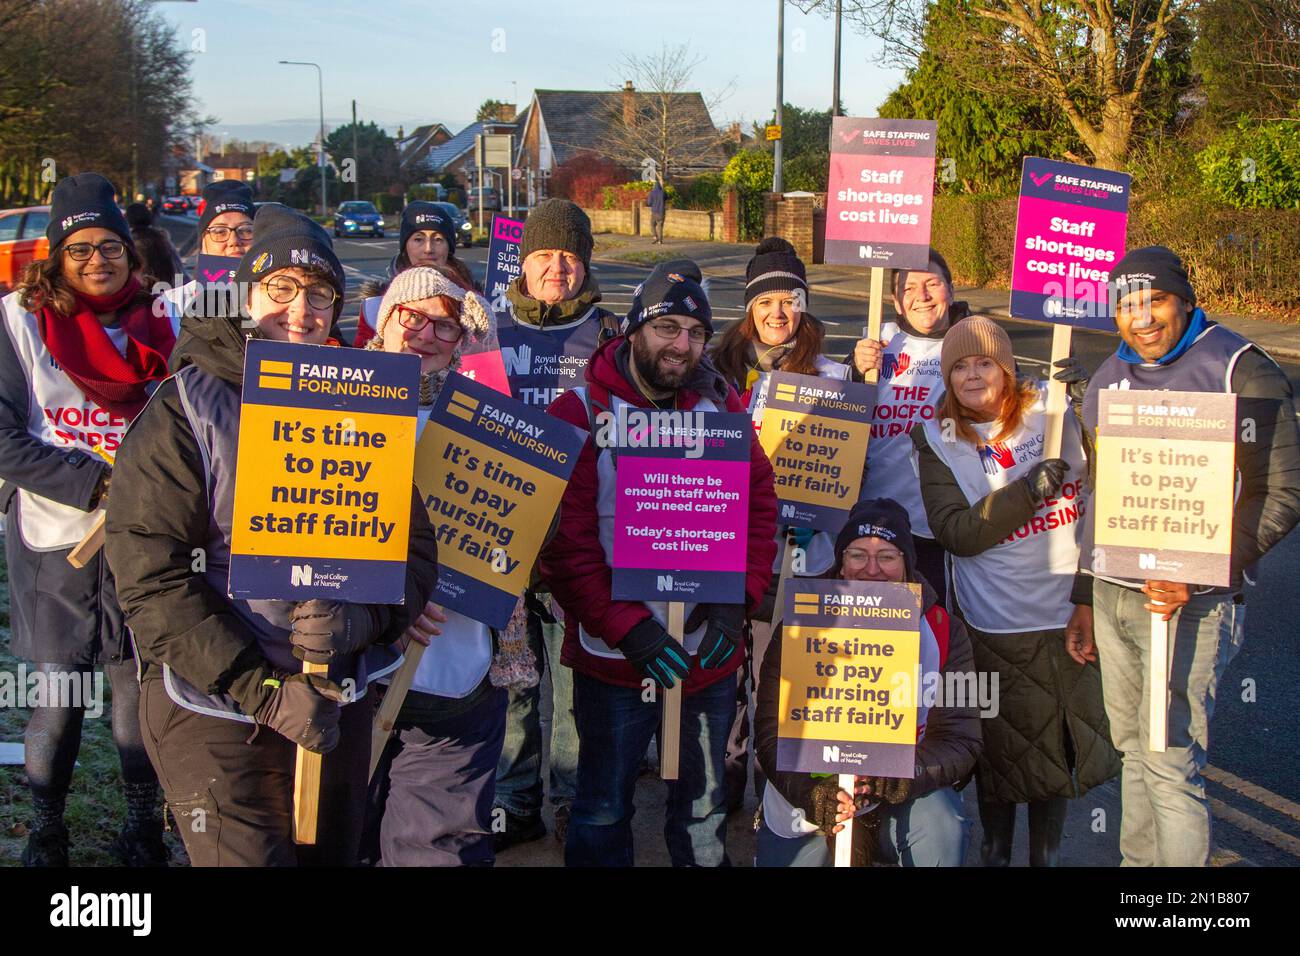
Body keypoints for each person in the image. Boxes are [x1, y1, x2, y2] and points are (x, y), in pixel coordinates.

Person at [104, 203, 440, 866]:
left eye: (320, 294)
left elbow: (414, 548)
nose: (301, 310)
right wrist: (261, 689)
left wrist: (366, 618)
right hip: (215, 708)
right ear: (248, 295)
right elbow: (151, 578)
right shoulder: (186, 406)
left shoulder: (361, 402)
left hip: (335, 694)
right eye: (280, 289)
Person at [1067, 246, 1300, 866]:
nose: (1140, 318)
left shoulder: (1241, 370)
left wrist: (1201, 573)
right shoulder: (1108, 375)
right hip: (1115, 593)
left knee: (1170, 763)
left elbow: (1282, 492)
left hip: (1191, 604)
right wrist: (1085, 596)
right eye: (1126, 305)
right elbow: (1101, 491)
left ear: (1186, 302)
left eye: (1155, 301)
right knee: (1133, 753)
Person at [540, 263, 778, 866]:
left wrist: (735, 602)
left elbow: (758, 510)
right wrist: (629, 627)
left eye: (695, 333)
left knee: (703, 809)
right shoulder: (581, 411)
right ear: (634, 332)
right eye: (667, 328)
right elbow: (567, 548)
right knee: (603, 808)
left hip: (705, 657)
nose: (682, 345)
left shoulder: (722, 412)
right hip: (614, 659)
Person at [0, 172, 177, 866]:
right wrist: (96, 482)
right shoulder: (18, 320)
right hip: (56, 539)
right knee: (62, 692)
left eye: (110, 245)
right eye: (80, 249)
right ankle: (47, 833)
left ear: (132, 253)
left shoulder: (166, 317)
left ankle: (141, 833)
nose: (97, 259)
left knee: (138, 687)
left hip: (142, 538)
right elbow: (6, 440)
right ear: (56, 258)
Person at [912, 316, 1119, 866]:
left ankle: (1044, 858)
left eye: (985, 363)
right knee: (1001, 754)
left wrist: (1091, 406)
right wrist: (1027, 492)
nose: (973, 375)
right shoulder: (939, 438)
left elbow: (1115, 478)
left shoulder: (1054, 411)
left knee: (1058, 749)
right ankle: (996, 852)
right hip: (993, 620)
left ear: (1007, 368)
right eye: (960, 366)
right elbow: (955, 531)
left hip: (1069, 609)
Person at [359, 267, 512, 866]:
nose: (425, 335)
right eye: (412, 318)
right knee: (346, 835)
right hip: (355, 669)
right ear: (385, 320)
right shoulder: (337, 403)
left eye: (444, 327)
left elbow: (518, 535)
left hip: (456, 668)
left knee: (438, 848)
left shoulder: (485, 420)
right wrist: (391, 605)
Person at [491, 198, 620, 851]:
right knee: (514, 682)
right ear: (524, 259)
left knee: (575, 682)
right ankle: (514, 801)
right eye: (544, 254)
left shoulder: (609, 334)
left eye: (570, 255)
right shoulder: (488, 332)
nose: (557, 268)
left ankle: (571, 798)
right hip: (504, 537)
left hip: (580, 541)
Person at [754, 498, 981, 866]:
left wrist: (906, 773)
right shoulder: (802, 623)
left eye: (888, 556)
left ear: (907, 562)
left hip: (899, 797)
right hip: (813, 796)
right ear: (840, 561)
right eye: (858, 555)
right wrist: (811, 794)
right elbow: (770, 732)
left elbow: (963, 738)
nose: (872, 570)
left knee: (943, 827)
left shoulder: (944, 630)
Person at [710, 236, 849, 810]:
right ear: (748, 310)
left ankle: (780, 797)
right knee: (723, 678)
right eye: (764, 302)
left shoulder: (832, 375)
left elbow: (847, 466)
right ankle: (722, 786)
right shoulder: (714, 375)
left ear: (804, 306)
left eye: (789, 300)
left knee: (781, 678)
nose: (776, 313)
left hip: (797, 555)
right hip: (724, 550)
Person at [848, 248, 970, 594]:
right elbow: (838, 427)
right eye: (909, 287)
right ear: (896, 301)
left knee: (933, 632)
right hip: (874, 525)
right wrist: (854, 373)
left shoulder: (976, 347)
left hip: (941, 530)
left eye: (932, 283)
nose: (923, 296)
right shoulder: (877, 343)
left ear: (951, 289)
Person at [353, 201, 476, 347]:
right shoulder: (375, 305)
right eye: (418, 239)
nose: (428, 249)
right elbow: (362, 360)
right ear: (405, 247)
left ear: (449, 247)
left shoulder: (476, 301)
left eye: (438, 239)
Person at [160, 180, 256, 327]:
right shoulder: (170, 305)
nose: (234, 240)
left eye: (246, 230)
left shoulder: (281, 304)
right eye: (219, 232)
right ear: (203, 242)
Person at [125, 201, 183, 289]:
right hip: (168, 289)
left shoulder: (128, 242)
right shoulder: (162, 238)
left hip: (142, 292)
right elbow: (178, 267)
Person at [647, 177, 666, 245]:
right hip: (661, 212)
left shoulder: (652, 193)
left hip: (654, 212)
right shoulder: (662, 192)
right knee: (660, 227)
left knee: (652, 224)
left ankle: (655, 236)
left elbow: (649, 203)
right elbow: (667, 197)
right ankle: (660, 241)